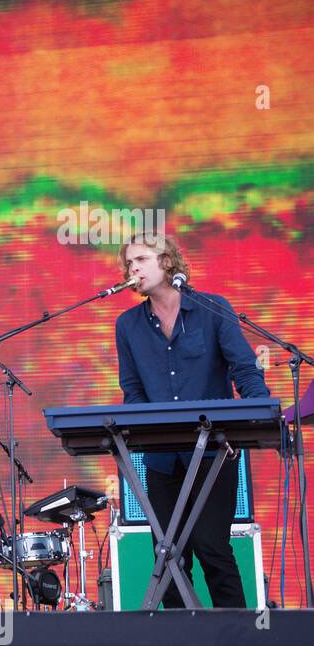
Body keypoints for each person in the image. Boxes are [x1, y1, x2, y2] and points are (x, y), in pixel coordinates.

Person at [115, 233, 269, 608]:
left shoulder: (212, 309)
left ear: (168, 262)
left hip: (214, 454)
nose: (132, 269)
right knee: (167, 557)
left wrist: (259, 413)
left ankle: (237, 642)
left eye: (141, 260)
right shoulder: (128, 325)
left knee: (211, 547)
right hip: (162, 458)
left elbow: (245, 370)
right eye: (129, 263)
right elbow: (133, 391)